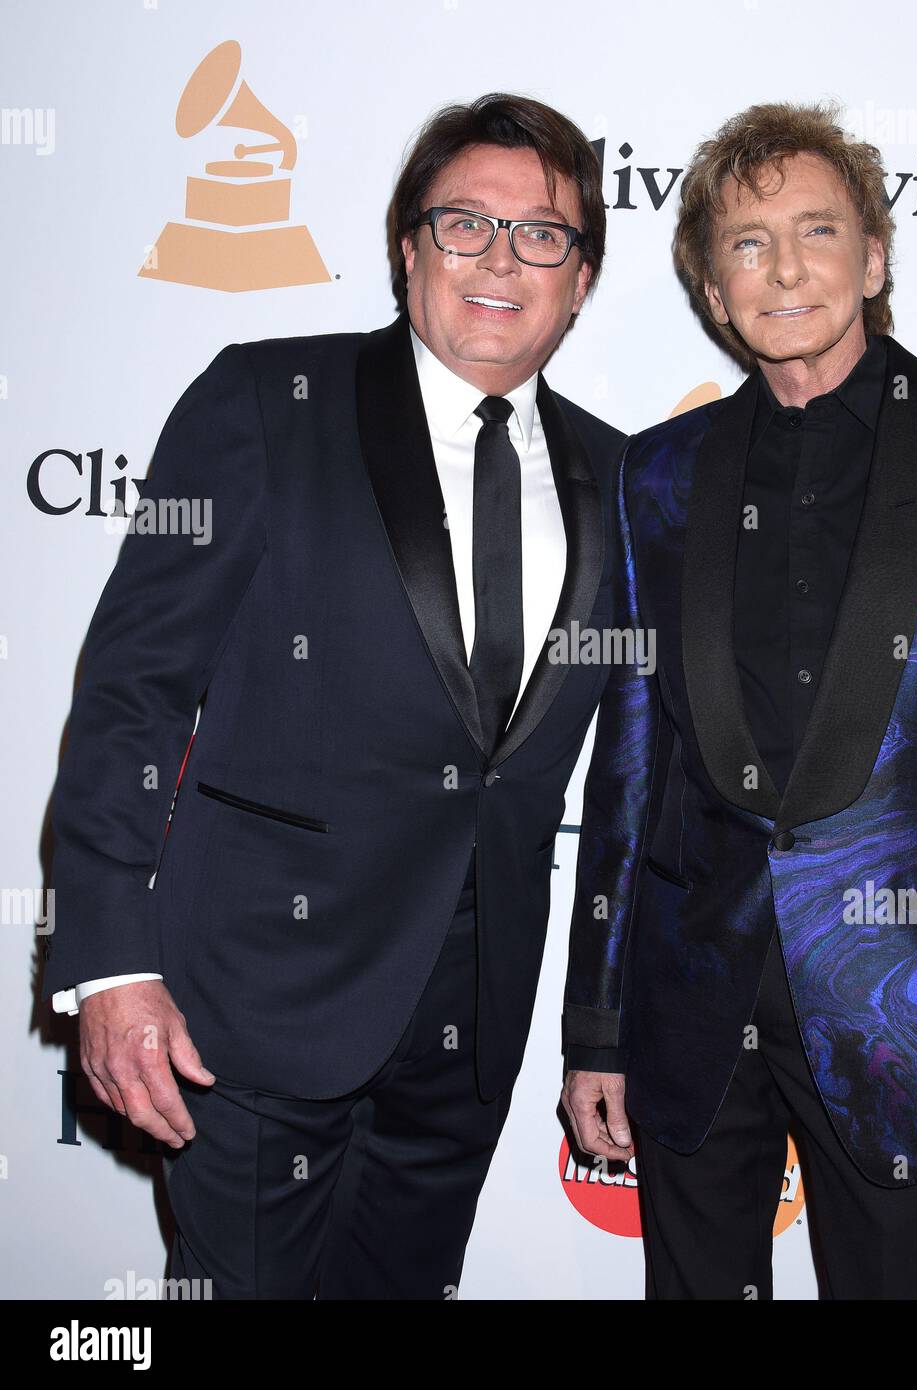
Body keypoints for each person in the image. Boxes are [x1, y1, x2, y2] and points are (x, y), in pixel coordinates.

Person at [561, 100, 917, 1300]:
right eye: (746, 242)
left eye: (817, 230)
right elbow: (629, 761)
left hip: (912, 1007)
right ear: (713, 291)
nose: (784, 267)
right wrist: (599, 1023)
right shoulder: (654, 473)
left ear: (874, 257)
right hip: (692, 1005)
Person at [44, 92, 623, 1299]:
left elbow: (632, 780)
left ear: (581, 280)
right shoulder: (264, 403)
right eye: (464, 223)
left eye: (542, 235)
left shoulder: (623, 478)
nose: (500, 259)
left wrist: (603, 1022)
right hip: (254, 1003)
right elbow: (130, 695)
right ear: (408, 246)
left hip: (467, 1030)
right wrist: (107, 963)